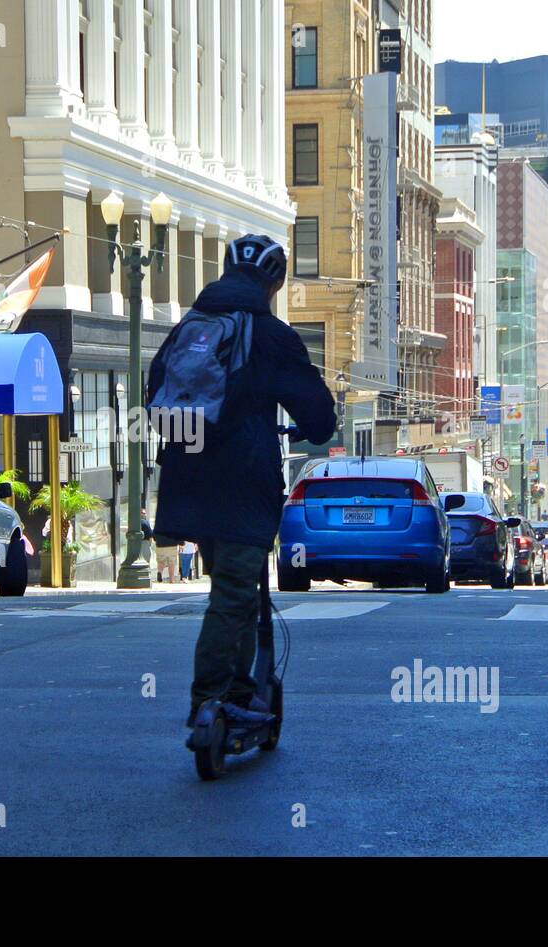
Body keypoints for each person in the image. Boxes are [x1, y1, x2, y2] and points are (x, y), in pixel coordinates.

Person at [147, 233, 336, 726]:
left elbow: (155, 391)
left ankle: (239, 688)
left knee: (234, 584)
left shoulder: (188, 328)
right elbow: (318, 419)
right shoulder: (272, 337)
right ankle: (209, 699)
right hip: (243, 483)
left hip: (185, 477)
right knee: (233, 590)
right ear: (275, 281)